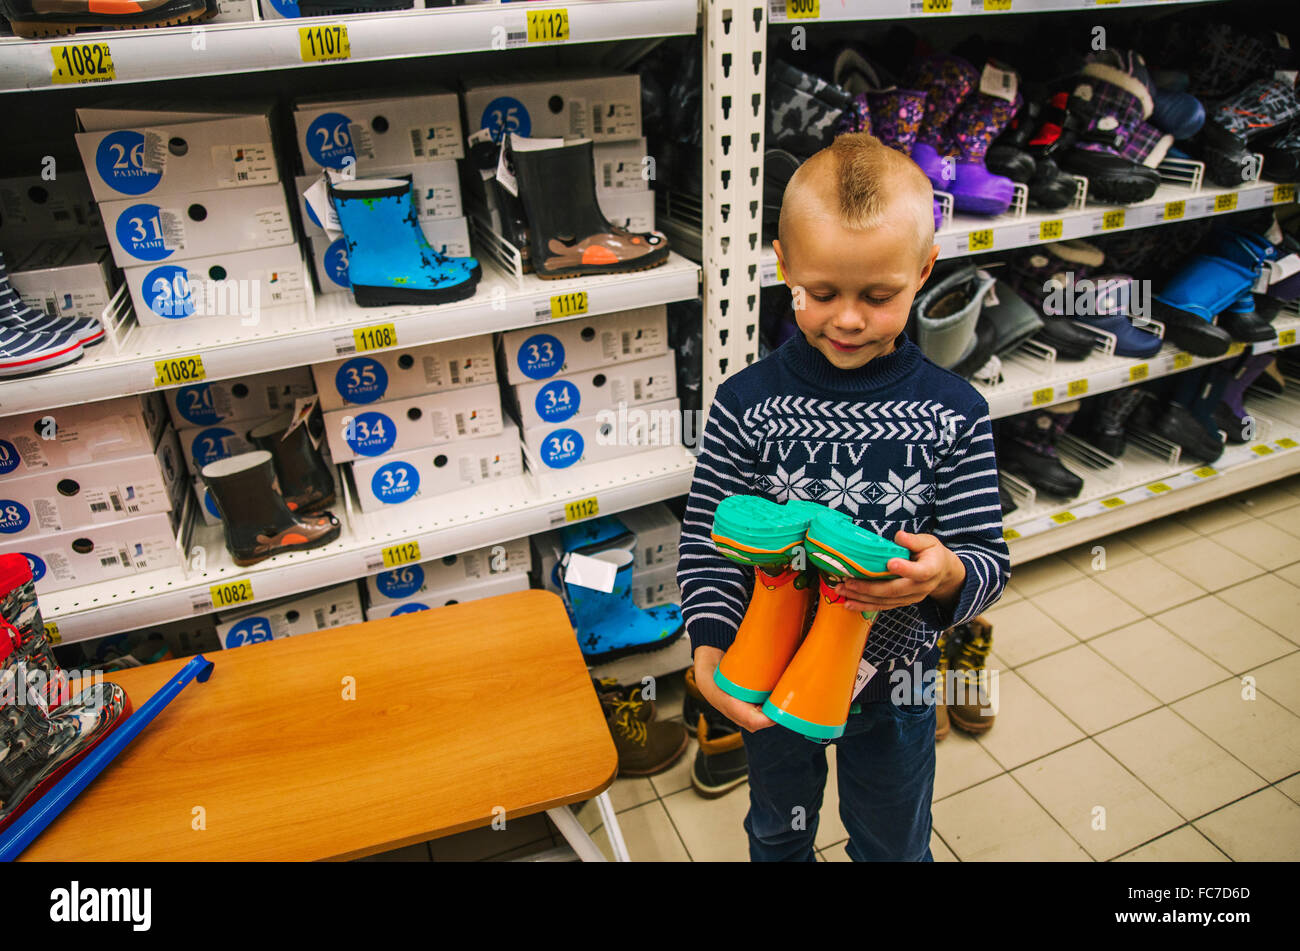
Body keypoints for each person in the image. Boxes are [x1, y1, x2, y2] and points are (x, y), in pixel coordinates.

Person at [677, 132, 1010, 862]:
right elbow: (707, 542)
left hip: (900, 684)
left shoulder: (955, 412)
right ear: (783, 265)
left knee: (892, 842)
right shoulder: (745, 403)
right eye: (822, 293)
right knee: (776, 831)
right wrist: (707, 651)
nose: (849, 319)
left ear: (924, 269)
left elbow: (989, 555)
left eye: (879, 295)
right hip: (768, 677)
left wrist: (946, 574)